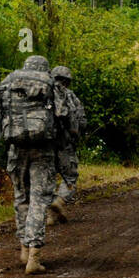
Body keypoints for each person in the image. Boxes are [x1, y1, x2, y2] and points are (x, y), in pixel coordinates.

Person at [0, 54, 63, 274]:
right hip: (43, 150)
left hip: (15, 148)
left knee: (21, 197)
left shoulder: (8, 81)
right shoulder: (50, 83)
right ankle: (34, 257)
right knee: (39, 200)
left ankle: (22, 248)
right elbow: (63, 115)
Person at [48, 65, 86, 224]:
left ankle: (49, 215)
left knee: (46, 178)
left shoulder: (41, 94)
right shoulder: (70, 96)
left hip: (44, 143)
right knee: (70, 176)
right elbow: (81, 120)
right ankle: (60, 200)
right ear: (67, 81)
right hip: (64, 143)